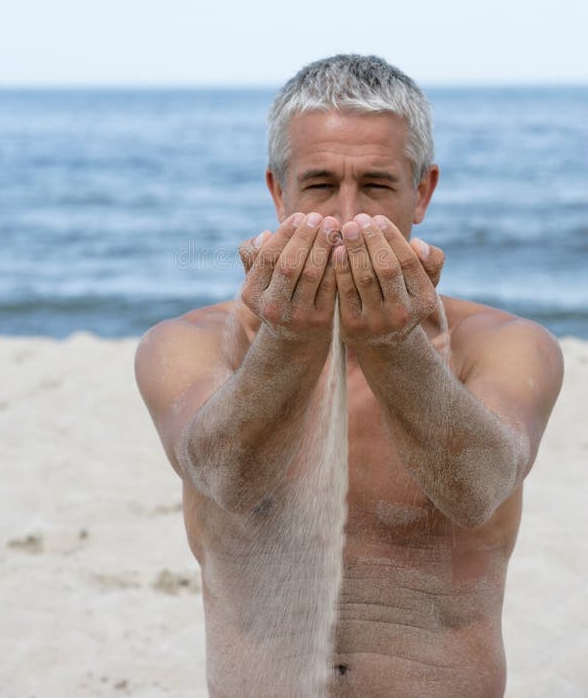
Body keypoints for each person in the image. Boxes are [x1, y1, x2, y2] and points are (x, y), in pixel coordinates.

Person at [134, 55, 564, 697]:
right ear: (278, 192)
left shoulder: (504, 344)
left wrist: (396, 345)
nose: (346, 219)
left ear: (423, 191)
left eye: (377, 185)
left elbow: (478, 488)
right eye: (318, 185)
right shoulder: (189, 343)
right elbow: (227, 477)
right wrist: (287, 341)